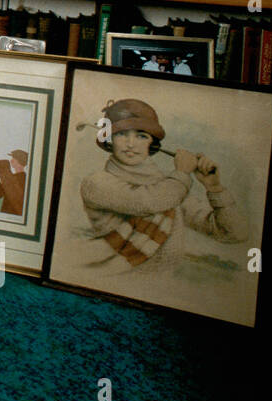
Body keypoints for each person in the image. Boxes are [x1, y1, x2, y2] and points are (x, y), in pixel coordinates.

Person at [80, 99, 244, 274]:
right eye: (122, 134)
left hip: (160, 286)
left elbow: (233, 234)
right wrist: (182, 173)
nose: (131, 144)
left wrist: (215, 188)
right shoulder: (96, 183)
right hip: (114, 280)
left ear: (152, 144)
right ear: (109, 139)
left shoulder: (170, 188)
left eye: (141, 136)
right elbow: (146, 201)